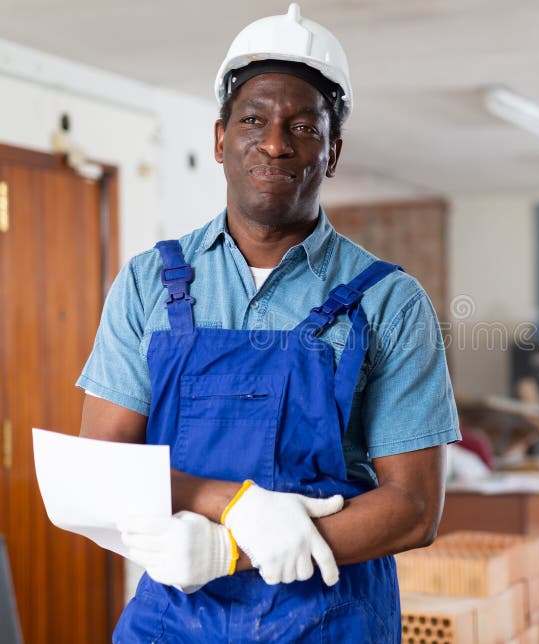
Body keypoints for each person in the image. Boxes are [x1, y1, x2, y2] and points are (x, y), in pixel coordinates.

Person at [77, 4, 460, 642]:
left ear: (331, 152)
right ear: (220, 138)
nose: (276, 142)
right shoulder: (148, 283)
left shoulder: (389, 300)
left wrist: (234, 552)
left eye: (303, 126)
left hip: (329, 621)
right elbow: (105, 467)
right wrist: (234, 506)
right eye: (253, 119)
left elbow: (414, 509)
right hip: (173, 618)